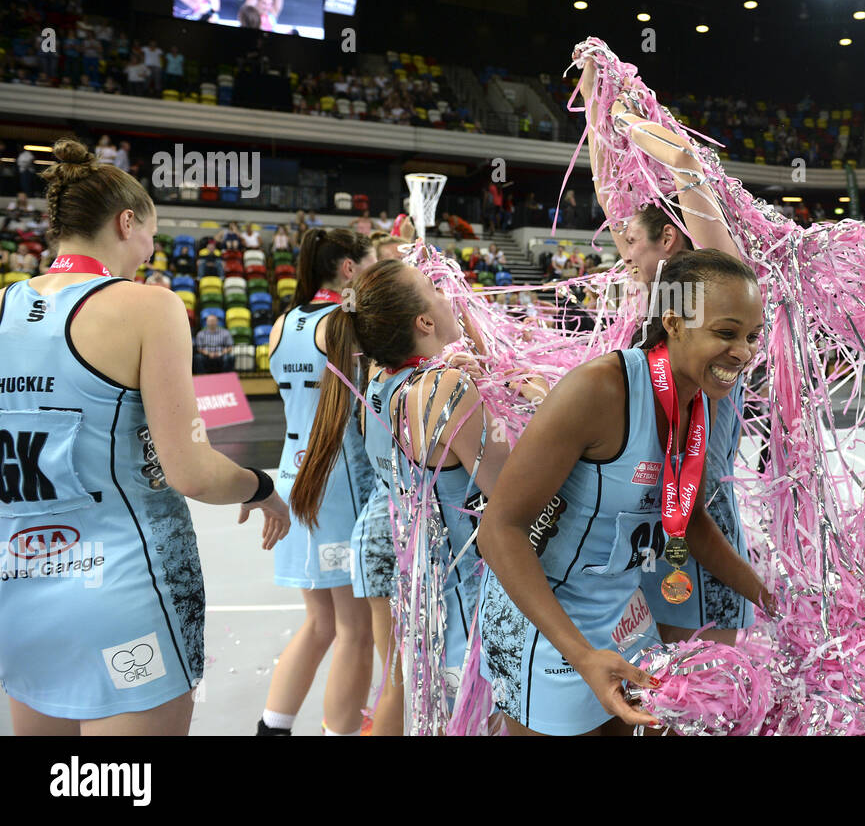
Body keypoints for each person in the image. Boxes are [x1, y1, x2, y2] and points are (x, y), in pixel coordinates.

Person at [0, 137, 289, 735]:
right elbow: (192, 473)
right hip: (124, 586)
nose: (152, 252)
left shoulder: (5, 303)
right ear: (126, 222)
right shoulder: (146, 307)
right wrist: (262, 488)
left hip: (17, 592)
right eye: (150, 236)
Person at [478, 249, 771, 735]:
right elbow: (499, 531)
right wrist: (583, 655)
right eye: (726, 333)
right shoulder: (599, 390)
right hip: (545, 622)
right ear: (675, 323)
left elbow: (688, 517)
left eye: (751, 336)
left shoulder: (702, 398)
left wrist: (769, 597)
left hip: (622, 611)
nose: (742, 351)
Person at [580, 50, 759, 647]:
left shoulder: (707, 290)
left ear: (670, 239)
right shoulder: (652, 295)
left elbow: (688, 176)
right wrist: (595, 107)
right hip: (644, 523)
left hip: (697, 516)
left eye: (632, 240)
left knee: (703, 688)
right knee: (655, 685)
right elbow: (612, 198)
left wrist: (674, 156)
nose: (621, 250)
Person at [295, 258, 516, 735]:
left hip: (432, 606)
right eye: (436, 288)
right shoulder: (443, 386)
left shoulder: (381, 380)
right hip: (477, 611)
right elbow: (517, 494)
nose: (448, 293)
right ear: (424, 322)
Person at [257, 228, 378, 736]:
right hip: (338, 487)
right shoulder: (346, 325)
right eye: (369, 263)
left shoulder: (283, 322)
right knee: (356, 631)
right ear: (349, 269)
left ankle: (272, 728)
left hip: (292, 477)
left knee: (321, 624)